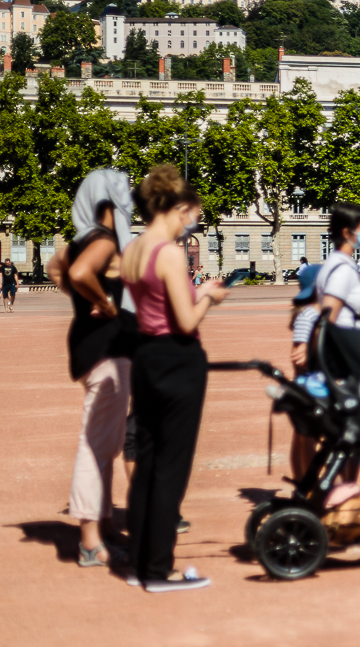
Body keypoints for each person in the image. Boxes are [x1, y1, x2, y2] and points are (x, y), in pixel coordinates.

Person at [121, 165, 228, 592]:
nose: (193, 220)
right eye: (192, 212)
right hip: (177, 357)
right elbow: (184, 320)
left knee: (147, 461)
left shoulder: (133, 248)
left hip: (145, 355)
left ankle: (141, 560)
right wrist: (209, 297)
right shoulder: (169, 252)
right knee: (171, 466)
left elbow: (151, 305)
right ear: (179, 207)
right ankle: (158, 568)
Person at [46, 169, 139, 569]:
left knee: (106, 442)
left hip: (92, 349)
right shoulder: (102, 241)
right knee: (96, 444)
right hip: (107, 352)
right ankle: (90, 541)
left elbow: (58, 269)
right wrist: (104, 301)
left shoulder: (80, 241)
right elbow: (80, 273)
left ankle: (101, 527)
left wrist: (82, 300)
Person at [287, 263, 321, 481]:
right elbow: (298, 357)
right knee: (306, 438)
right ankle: (306, 484)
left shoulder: (309, 313)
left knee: (302, 438)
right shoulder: (308, 315)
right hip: (308, 385)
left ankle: (303, 484)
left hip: (307, 384)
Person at [318, 203, 360, 329]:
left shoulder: (337, 263)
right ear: (347, 233)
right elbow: (328, 319)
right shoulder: (342, 270)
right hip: (347, 341)